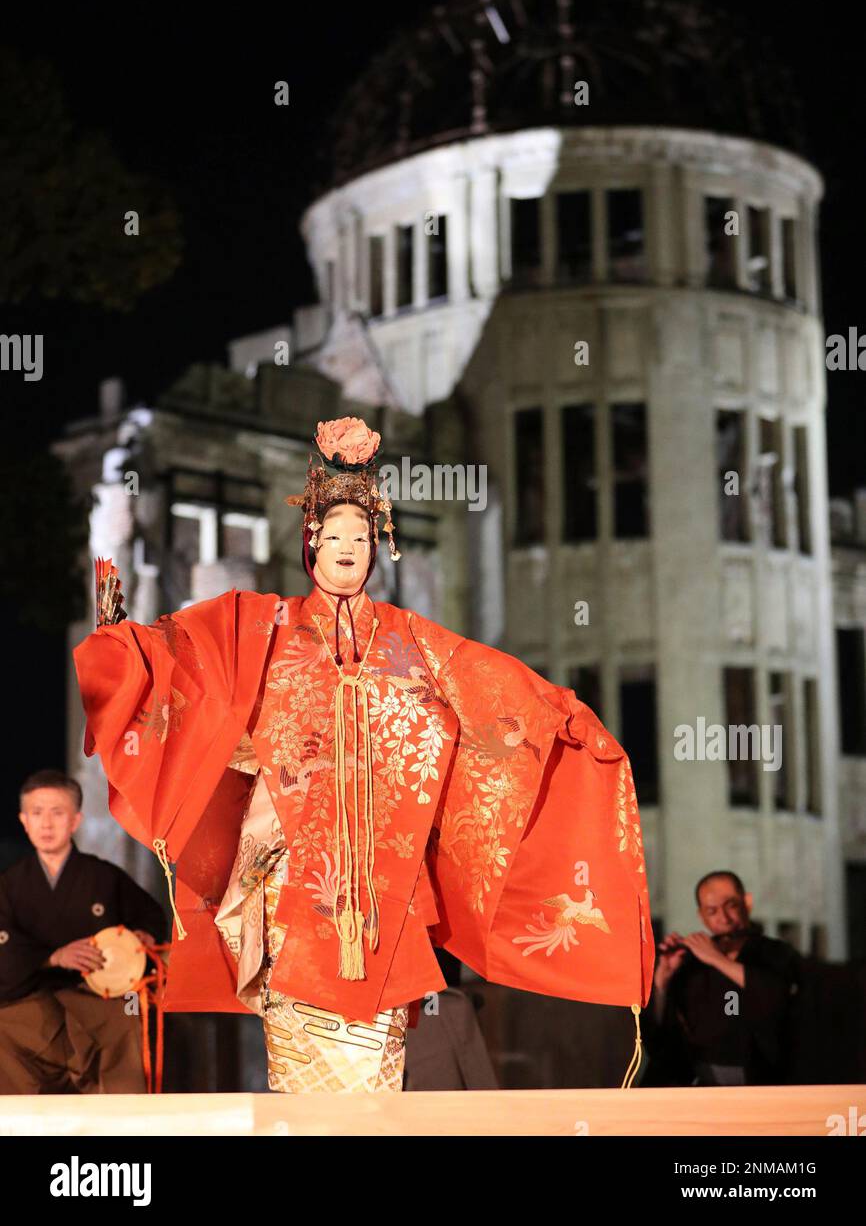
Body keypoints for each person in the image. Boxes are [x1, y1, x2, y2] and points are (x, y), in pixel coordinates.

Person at [74, 416, 655, 1094]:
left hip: (386, 891)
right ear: (310, 543)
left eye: (361, 537)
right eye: (334, 536)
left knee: (377, 1078)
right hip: (289, 879)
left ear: (377, 549)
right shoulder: (261, 626)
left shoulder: (413, 642)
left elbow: (490, 689)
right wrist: (125, 651)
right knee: (302, 1070)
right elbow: (184, 659)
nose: (348, 548)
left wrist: (560, 714)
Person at [0, 770, 167, 1094]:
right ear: (24, 821)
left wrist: (144, 937)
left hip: (101, 998)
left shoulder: (103, 877)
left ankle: (125, 1126)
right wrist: (53, 957)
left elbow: (151, 917)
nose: (47, 824)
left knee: (129, 1016)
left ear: (75, 820)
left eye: (57, 813)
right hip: (34, 1001)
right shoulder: (9, 885)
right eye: (37, 813)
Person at [645, 869, 801, 1086]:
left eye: (731, 905)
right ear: (701, 916)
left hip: (764, 1082)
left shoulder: (776, 953)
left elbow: (778, 998)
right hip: (700, 1084)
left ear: (747, 903)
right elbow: (663, 1037)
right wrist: (663, 981)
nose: (724, 919)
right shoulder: (691, 962)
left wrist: (717, 959)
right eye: (712, 911)